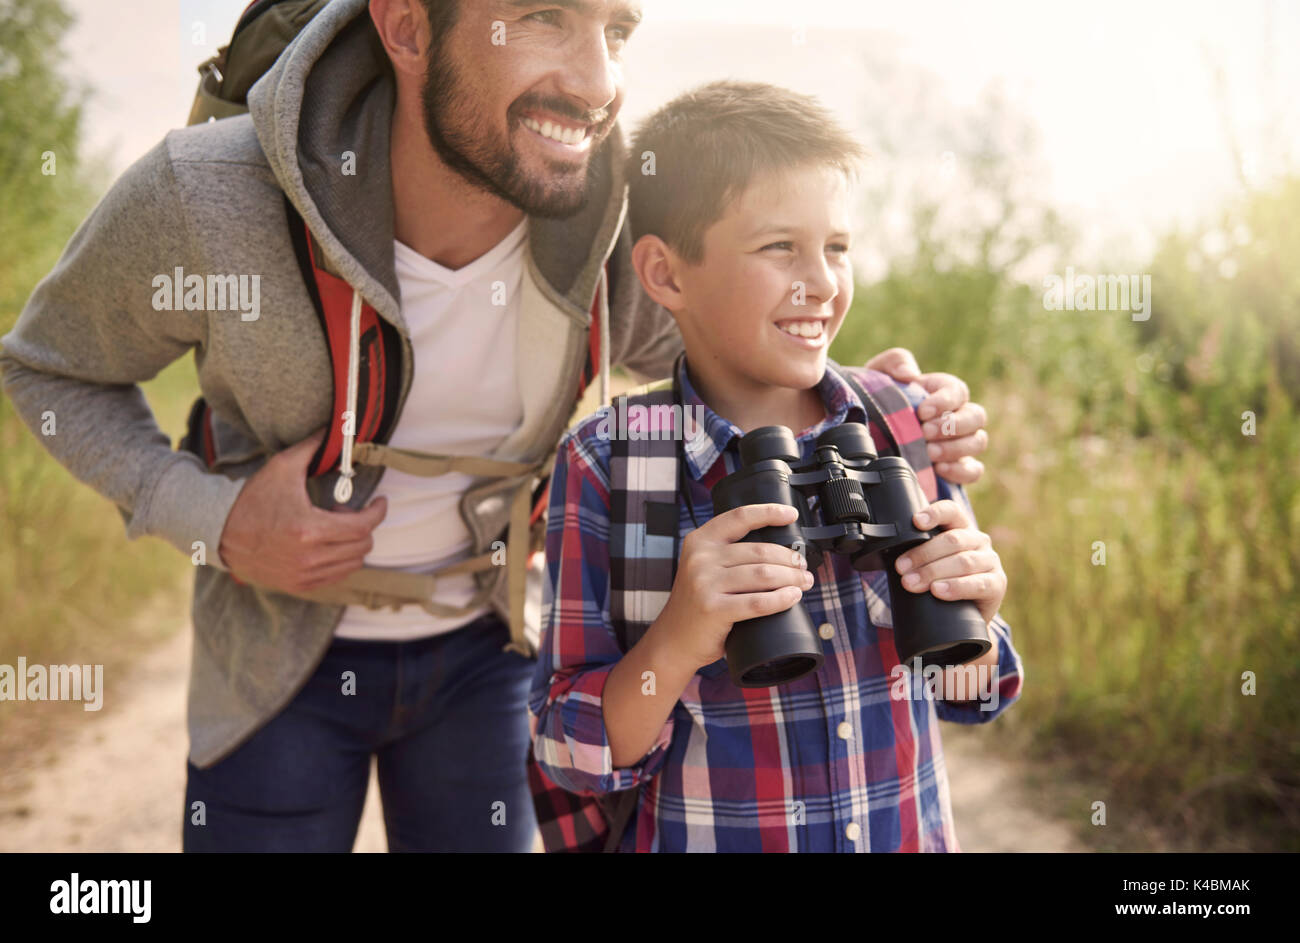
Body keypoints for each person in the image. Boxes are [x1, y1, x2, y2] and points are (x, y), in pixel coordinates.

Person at [0, 0, 989, 852]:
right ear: (403, 26)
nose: (598, 83)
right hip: (270, 666)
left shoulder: (605, 210)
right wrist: (215, 523)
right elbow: (49, 371)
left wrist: (866, 396)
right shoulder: (207, 196)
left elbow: (727, 328)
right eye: (545, 18)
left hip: (492, 661)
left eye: (615, 26)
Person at [530, 80, 1024, 852]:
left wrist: (982, 624)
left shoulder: (901, 419)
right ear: (664, 275)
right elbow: (569, 751)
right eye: (778, 247)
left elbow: (968, 695)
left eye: (836, 247)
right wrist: (680, 638)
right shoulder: (610, 463)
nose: (822, 282)